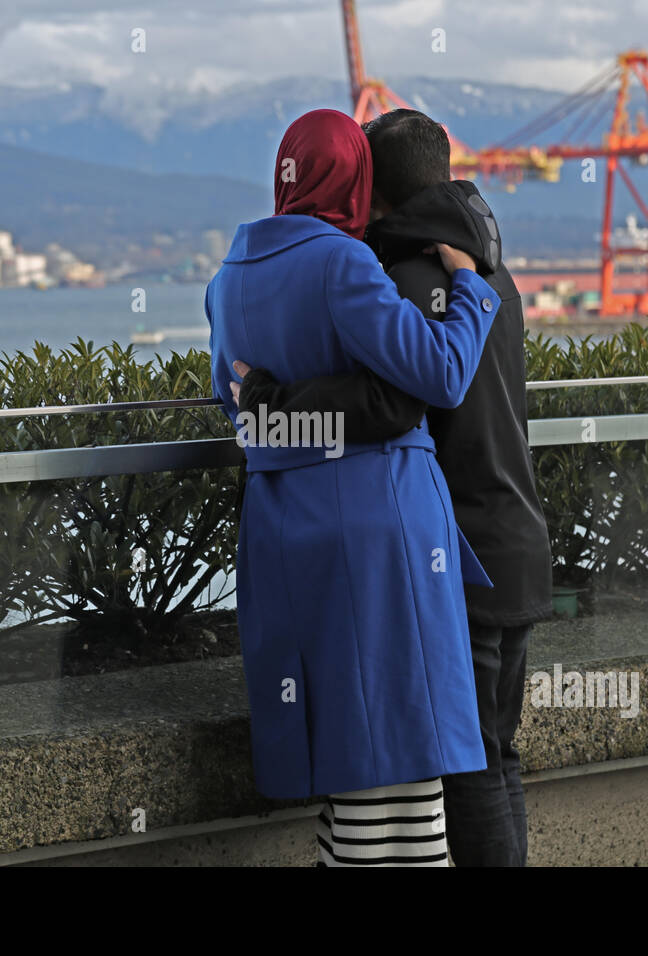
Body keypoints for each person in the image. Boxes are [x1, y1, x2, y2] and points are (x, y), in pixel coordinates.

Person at [230, 109, 553, 867]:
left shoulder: (397, 280)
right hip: (517, 537)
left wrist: (270, 404)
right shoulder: (489, 275)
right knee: (499, 760)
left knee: (466, 769)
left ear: (371, 190)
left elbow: (391, 403)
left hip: (452, 558)